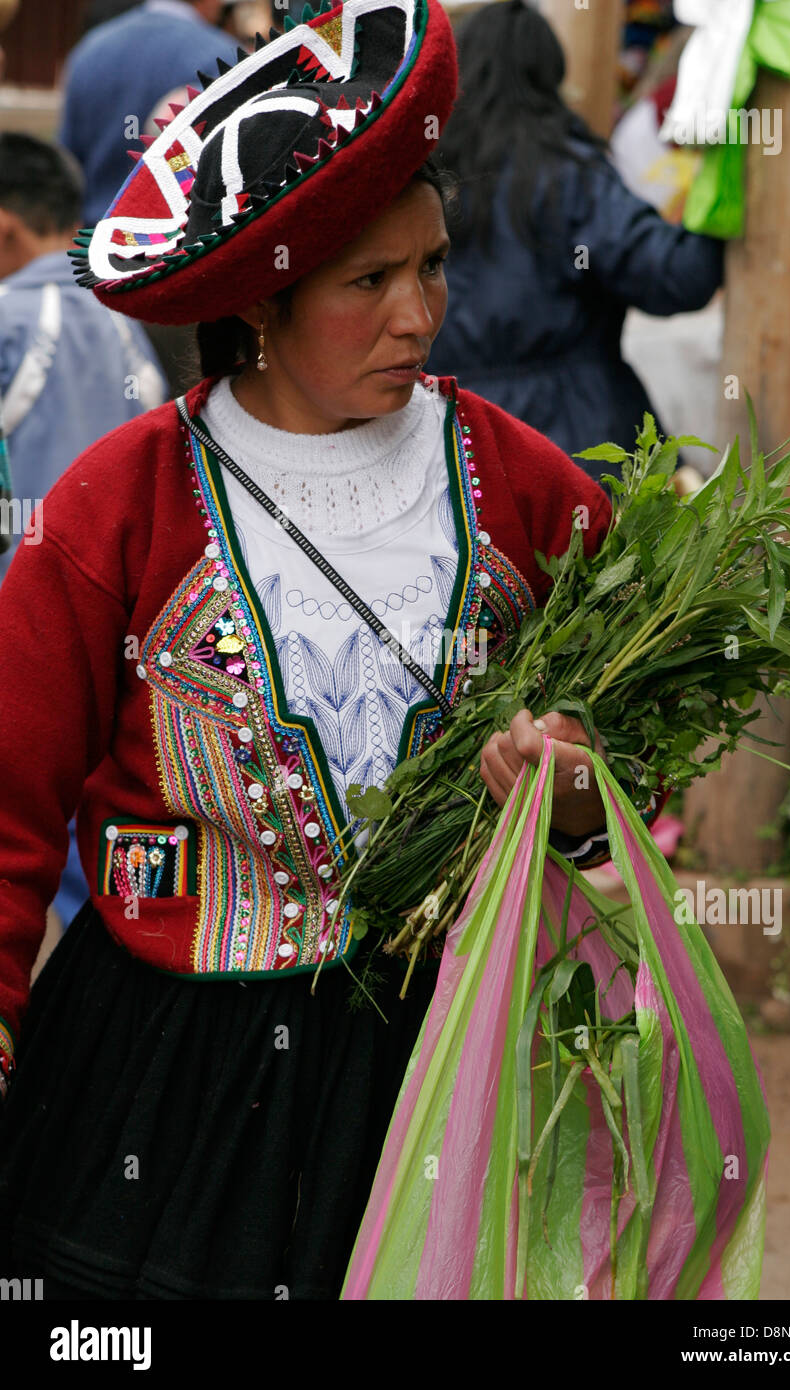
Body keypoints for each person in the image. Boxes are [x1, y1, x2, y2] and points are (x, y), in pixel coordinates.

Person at [0, 0, 617, 1301]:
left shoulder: (519, 482)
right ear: (261, 305)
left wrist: (573, 786)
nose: (420, 315)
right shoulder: (120, 504)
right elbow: (7, 790)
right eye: (368, 283)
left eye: (434, 267)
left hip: (423, 1050)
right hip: (160, 1066)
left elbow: (618, 731)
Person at [426, 0, 725, 482]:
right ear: (549, 75)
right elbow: (678, 277)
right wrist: (720, 193)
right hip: (577, 446)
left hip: (451, 444)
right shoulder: (565, 174)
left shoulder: (428, 177)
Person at [0, 132, 167, 935]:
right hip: (129, 628)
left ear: (5, 229)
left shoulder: (10, 319)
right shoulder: (124, 320)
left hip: (24, 626)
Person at [58, 0, 242, 226]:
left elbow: (66, 165)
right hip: (178, 246)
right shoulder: (223, 57)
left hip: (92, 240)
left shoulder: (89, 50)